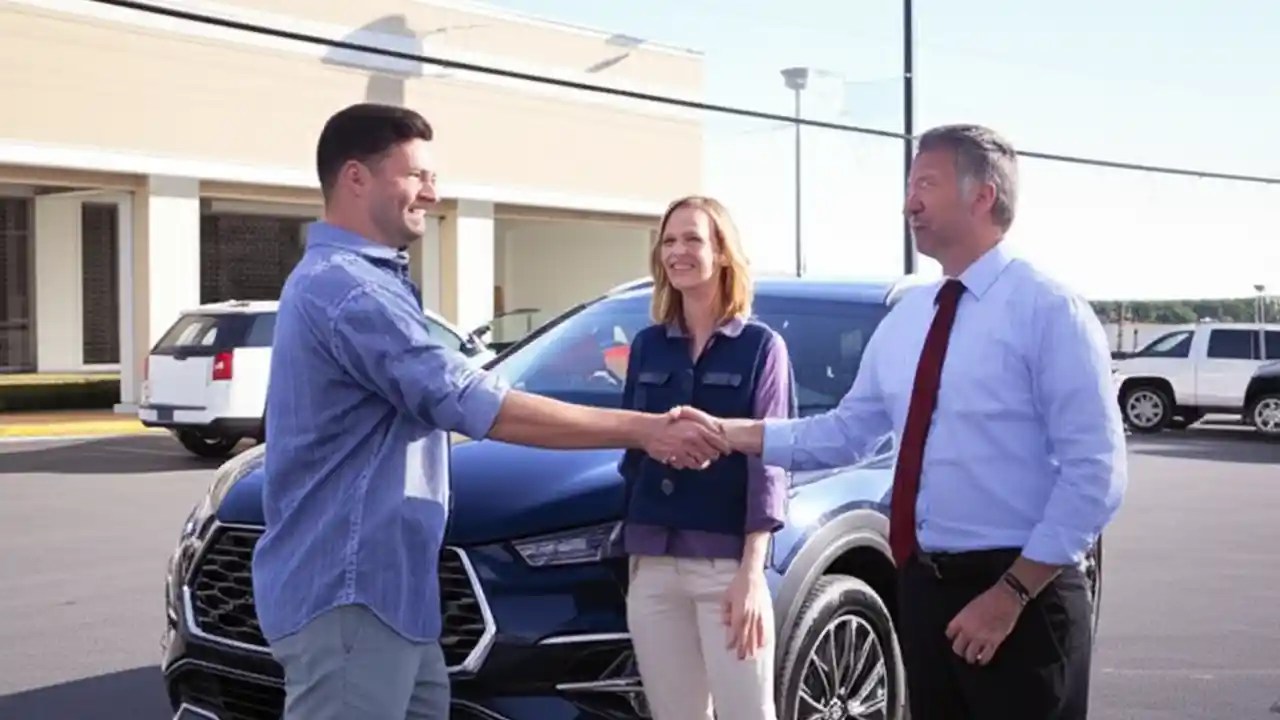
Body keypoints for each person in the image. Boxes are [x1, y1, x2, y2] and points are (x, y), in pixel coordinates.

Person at [252, 102, 728, 720]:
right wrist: (644, 429)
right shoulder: (351, 289)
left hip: (391, 598)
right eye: (416, 174)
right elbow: (476, 403)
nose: (432, 190)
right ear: (355, 178)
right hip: (354, 598)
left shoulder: (352, 280)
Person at [675, 124, 1127, 719]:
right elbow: (845, 433)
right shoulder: (911, 319)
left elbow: (1097, 475)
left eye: (926, 184)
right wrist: (729, 434)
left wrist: (1010, 595)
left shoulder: (1049, 312)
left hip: (1022, 595)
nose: (909, 202)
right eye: (910, 185)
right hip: (924, 591)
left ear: (982, 195)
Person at [617, 196, 793, 720]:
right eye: (669, 241)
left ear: (722, 253)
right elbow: (632, 449)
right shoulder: (647, 346)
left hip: (727, 567)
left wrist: (752, 574)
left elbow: (772, 463)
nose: (678, 252)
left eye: (692, 239)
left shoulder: (762, 348)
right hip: (653, 566)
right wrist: (636, 560)